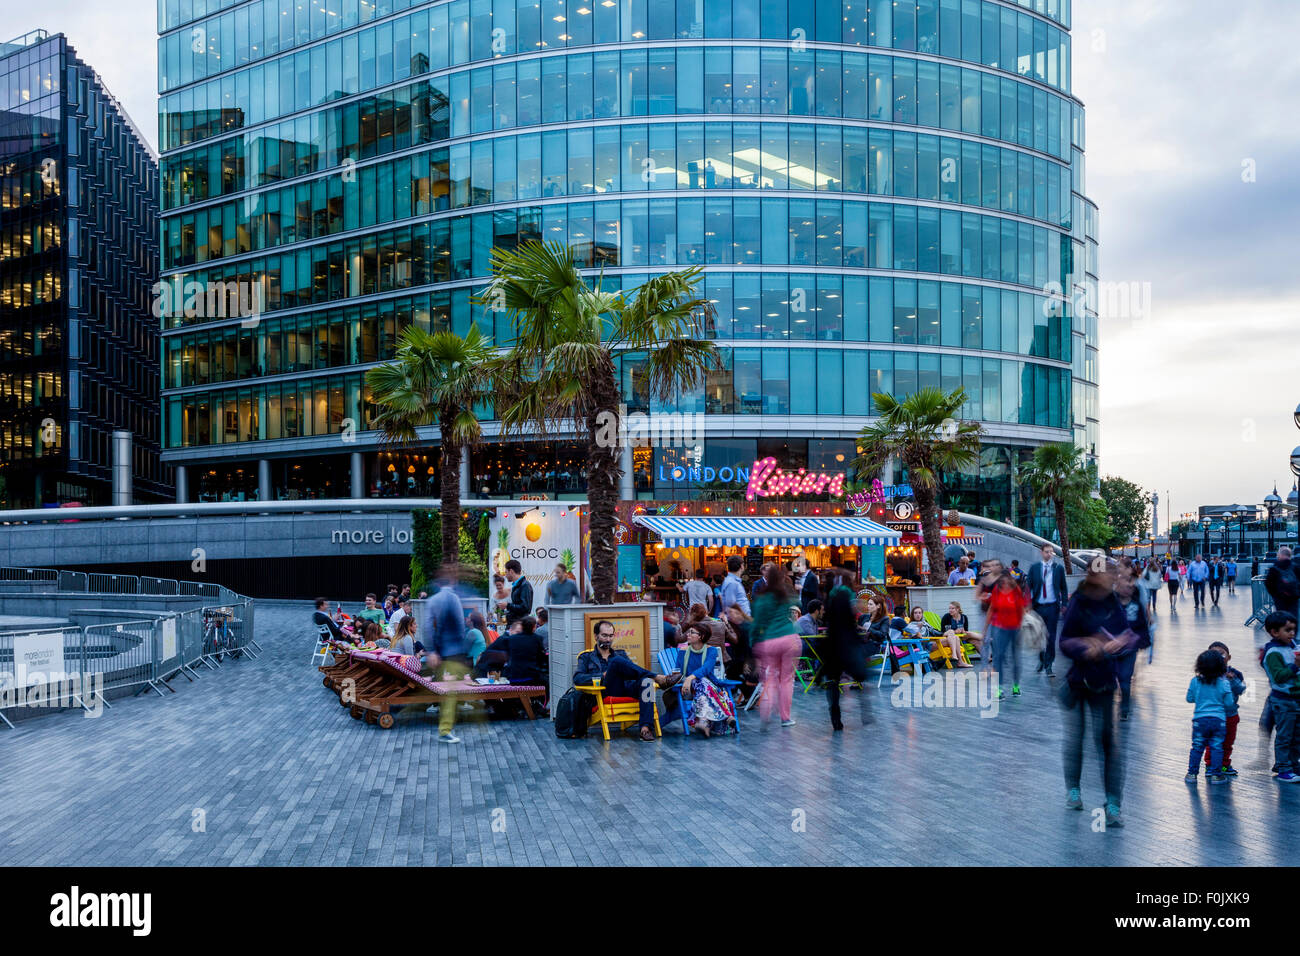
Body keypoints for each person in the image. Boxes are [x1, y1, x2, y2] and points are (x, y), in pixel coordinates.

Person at [1058, 559, 1138, 827]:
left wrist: (1121, 642)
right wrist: (1086, 646)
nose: (1113, 579)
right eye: (1109, 574)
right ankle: (1074, 790)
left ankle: (1113, 803)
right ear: (1095, 576)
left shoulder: (1112, 602)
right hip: (1079, 681)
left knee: (1107, 743)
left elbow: (1129, 634)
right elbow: (1065, 641)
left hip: (1104, 681)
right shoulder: (1078, 601)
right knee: (1076, 738)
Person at [573, 619, 681, 741]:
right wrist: (602, 675)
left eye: (610, 636)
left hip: (624, 687)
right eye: (604, 636)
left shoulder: (620, 654)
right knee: (616, 662)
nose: (608, 639)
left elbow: (634, 674)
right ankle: (658, 678)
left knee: (647, 682)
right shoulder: (586, 657)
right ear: (596, 636)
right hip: (604, 691)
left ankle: (645, 729)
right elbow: (577, 678)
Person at [421, 563, 475, 744]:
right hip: (453, 651)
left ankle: (441, 710)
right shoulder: (453, 599)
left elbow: (427, 627)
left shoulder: (432, 600)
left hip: (438, 651)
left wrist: (431, 651)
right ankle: (445, 729)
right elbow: (460, 627)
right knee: (452, 689)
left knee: (443, 684)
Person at [750, 563, 802, 728]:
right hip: (789, 639)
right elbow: (798, 608)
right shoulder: (785, 595)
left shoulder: (761, 600)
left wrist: (753, 643)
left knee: (770, 678)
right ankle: (785, 718)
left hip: (769, 641)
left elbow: (756, 624)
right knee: (787, 680)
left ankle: (765, 714)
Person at [662, 623, 737, 737]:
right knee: (701, 682)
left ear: (701, 636)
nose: (688, 634)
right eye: (689, 632)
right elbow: (678, 672)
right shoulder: (683, 651)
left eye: (692, 632)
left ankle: (703, 722)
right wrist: (687, 680)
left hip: (707, 689)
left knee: (702, 683)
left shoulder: (711, 651)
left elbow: (706, 669)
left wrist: (691, 677)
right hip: (688, 690)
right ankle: (727, 715)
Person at [821, 575, 873, 731]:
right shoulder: (847, 599)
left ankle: (835, 718)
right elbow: (852, 628)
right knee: (861, 678)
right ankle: (866, 713)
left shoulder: (830, 602)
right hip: (849, 649)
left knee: (832, 682)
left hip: (834, 649)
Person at [1261, 610, 1300, 782]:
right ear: (1274, 632)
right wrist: (1295, 666)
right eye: (1288, 630)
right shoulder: (1274, 652)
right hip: (1284, 700)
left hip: (1295, 697)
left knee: (1297, 735)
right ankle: (1283, 768)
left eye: (1294, 629)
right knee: (1285, 735)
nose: (1292, 633)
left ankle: (1292, 764)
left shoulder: (1292, 646)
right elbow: (1278, 676)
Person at [1184, 649, 1233, 785]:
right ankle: (1216, 775)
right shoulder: (1224, 683)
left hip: (1200, 720)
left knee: (1197, 746)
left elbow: (1189, 698)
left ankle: (1192, 774)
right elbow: (1229, 703)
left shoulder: (1195, 681)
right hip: (1219, 721)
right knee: (1217, 747)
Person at [1113, 566, 1153, 720]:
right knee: (1113, 678)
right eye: (1126, 582)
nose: (1129, 585)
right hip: (1111, 649)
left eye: (1131, 583)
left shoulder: (1136, 605)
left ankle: (1124, 707)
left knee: (1125, 678)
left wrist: (1141, 641)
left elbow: (1142, 626)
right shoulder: (1110, 603)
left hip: (1129, 649)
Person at [983, 568, 1029, 696]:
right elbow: (992, 609)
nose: (1002, 581)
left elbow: (1021, 608)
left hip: (1015, 628)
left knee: (1016, 657)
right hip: (1000, 628)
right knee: (998, 657)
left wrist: (1024, 625)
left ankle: (1016, 686)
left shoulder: (1016, 591)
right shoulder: (997, 590)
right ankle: (999, 689)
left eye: (1004, 579)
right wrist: (986, 628)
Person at [1026, 544, 1067, 677]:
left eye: (1051, 552)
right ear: (1041, 553)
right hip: (1038, 607)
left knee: (1051, 636)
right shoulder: (1035, 568)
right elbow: (1028, 587)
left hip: (1052, 607)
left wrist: (1064, 604)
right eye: (1047, 552)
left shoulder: (1058, 569)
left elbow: (1064, 588)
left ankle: (1049, 665)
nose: (1049, 554)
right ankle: (1042, 659)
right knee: (1038, 635)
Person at [1205, 642, 1244, 777]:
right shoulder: (1206, 675)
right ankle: (1210, 765)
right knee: (1213, 742)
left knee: (1228, 741)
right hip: (1213, 715)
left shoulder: (1235, 674)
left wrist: (1232, 681)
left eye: (1222, 654)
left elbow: (1242, 690)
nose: (1218, 657)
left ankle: (1224, 765)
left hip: (1230, 714)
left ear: (1229, 657)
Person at [492, 614, 547, 687]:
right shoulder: (537, 638)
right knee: (547, 682)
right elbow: (541, 657)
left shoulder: (512, 638)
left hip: (514, 676)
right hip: (531, 676)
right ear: (534, 627)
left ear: (522, 626)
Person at [1265, 546, 1300, 618]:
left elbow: (1269, 584)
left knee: (1282, 618)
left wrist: (1275, 595)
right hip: (1293, 597)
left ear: (1281, 555)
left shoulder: (1274, 568)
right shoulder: (1295, 567)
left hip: (1280, 598)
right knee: (1293, 617)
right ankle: (1293, 628)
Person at [504, 559, 533, 624]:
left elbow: (525, 608)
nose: (505, 575)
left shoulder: (525, 585)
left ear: (511, 571)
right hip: (515, 623)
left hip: (519, 625)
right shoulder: (518, 585)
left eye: (506, 572)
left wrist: (508, 605)